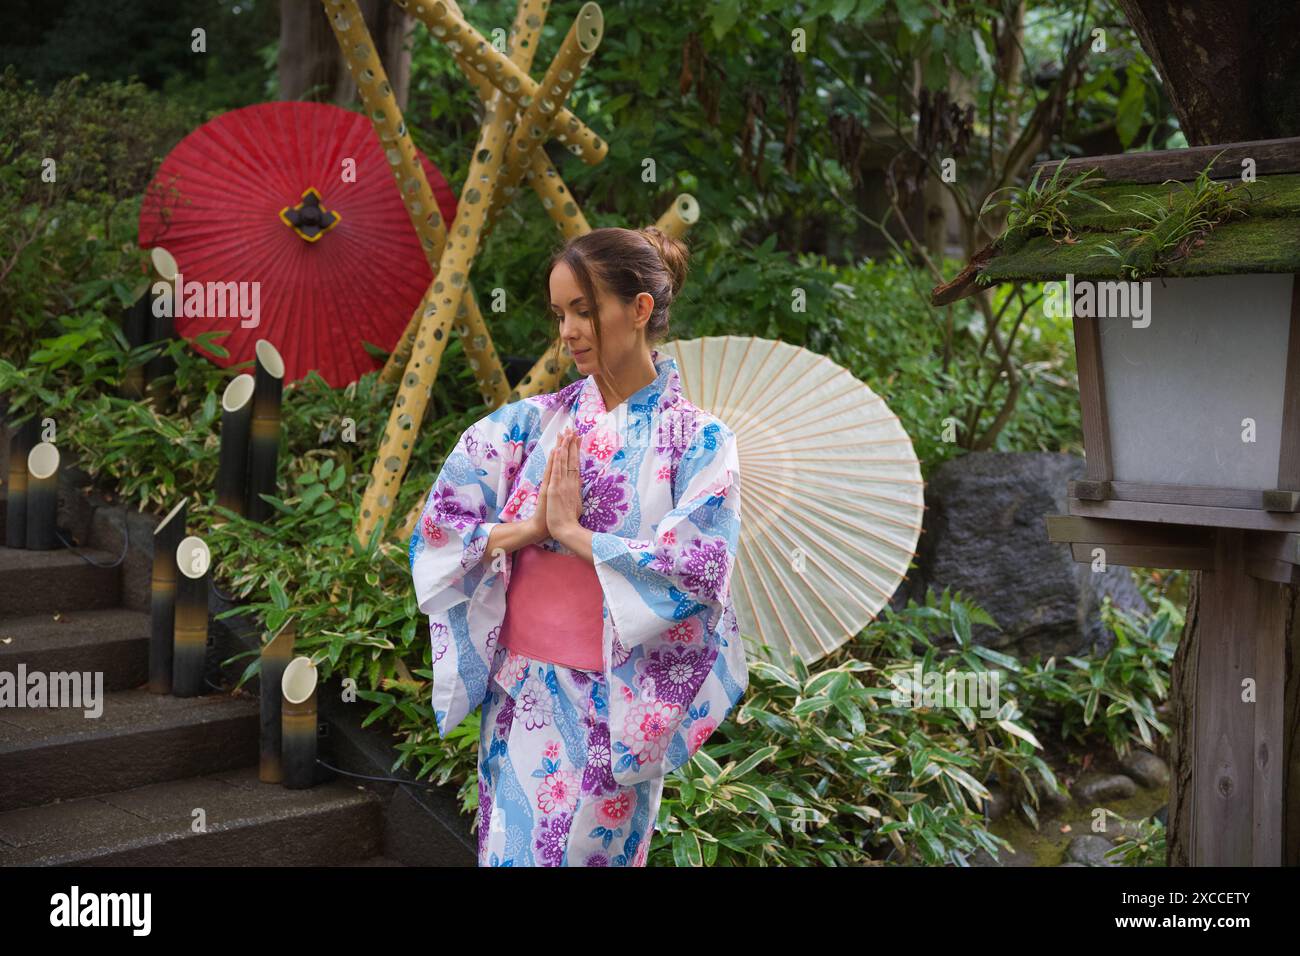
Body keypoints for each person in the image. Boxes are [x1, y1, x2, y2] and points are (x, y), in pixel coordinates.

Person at [409, 225, 746, 867]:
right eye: (560, 313)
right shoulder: (528, 424)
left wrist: (576, 536)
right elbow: (440, 531)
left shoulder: (699, 442)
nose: (568, 330)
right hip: (520, 698)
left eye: (584, 310)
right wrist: (530, 531)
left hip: (612, 706)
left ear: (639, 309)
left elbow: (698, 569)